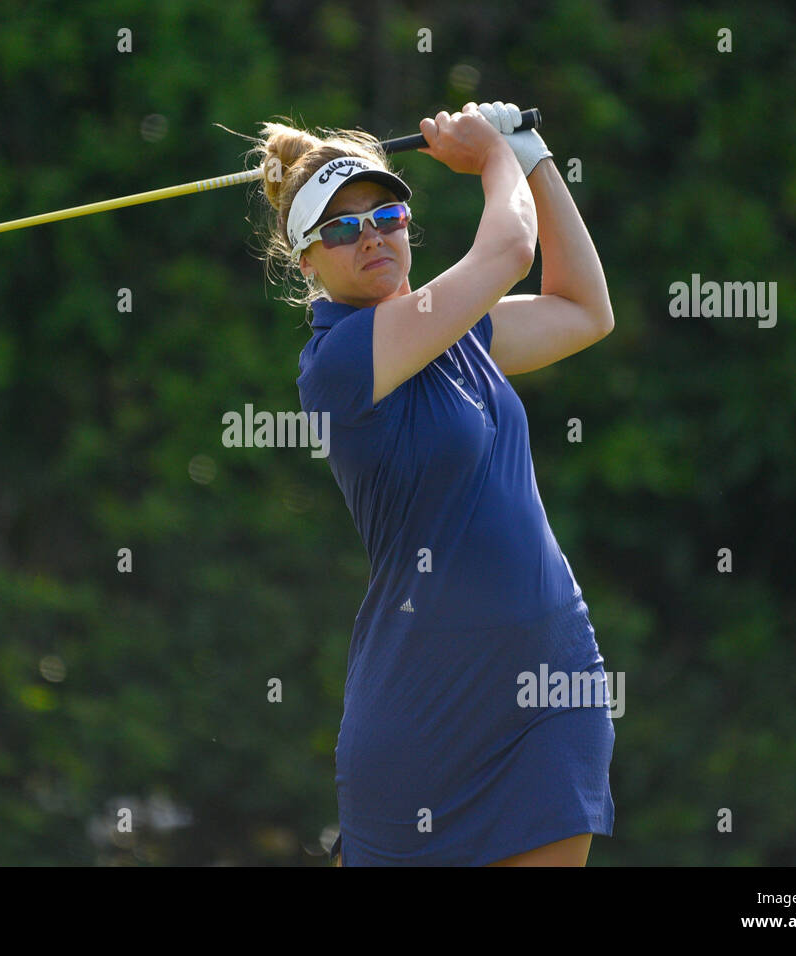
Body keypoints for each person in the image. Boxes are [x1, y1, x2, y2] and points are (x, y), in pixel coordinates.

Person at [242, 102, 617, 866]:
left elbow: (585, 309)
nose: (372, 236)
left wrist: (532, 151)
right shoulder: (341, 362)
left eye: (387, 215)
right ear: (307, 262)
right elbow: (511, 248)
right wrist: (492, 157)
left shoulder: (459, 334)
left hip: (553, 684)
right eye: (342, 230)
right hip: (427, 715)